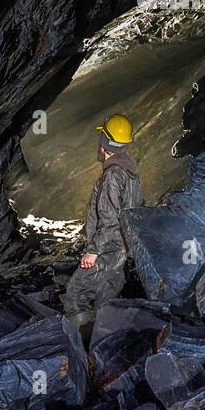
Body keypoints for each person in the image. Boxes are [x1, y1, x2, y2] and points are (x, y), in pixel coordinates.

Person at [63, 114, 143, 337]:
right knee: (106, 301)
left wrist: (93, 251)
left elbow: (108, 220)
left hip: (107, 249)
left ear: (105, 142)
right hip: (122, 249)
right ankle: (104, 347)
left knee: (76, 298)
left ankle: (84, 349)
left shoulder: (112, 176)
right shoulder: (131, 173)